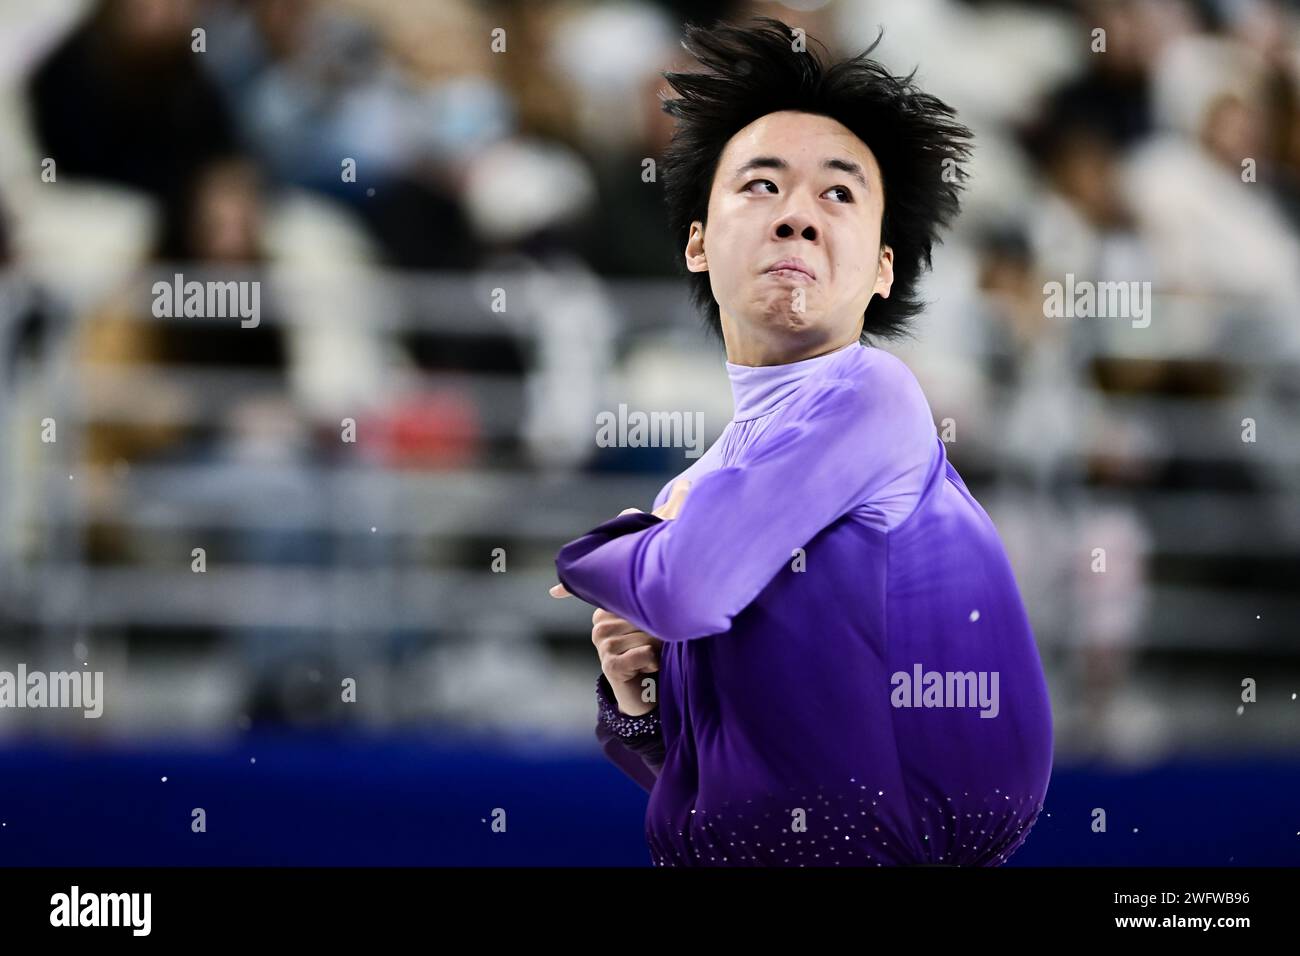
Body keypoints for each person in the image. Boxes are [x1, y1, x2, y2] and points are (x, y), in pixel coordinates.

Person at [551, 17, 1053, 866]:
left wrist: (592, 557)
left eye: (839, 193)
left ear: (885, 267)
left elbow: (683, 588)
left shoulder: (874, 396)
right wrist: (640, 705)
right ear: (698, 245)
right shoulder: (699, 497)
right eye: (760, 186)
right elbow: (727, 791)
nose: (797, 218)